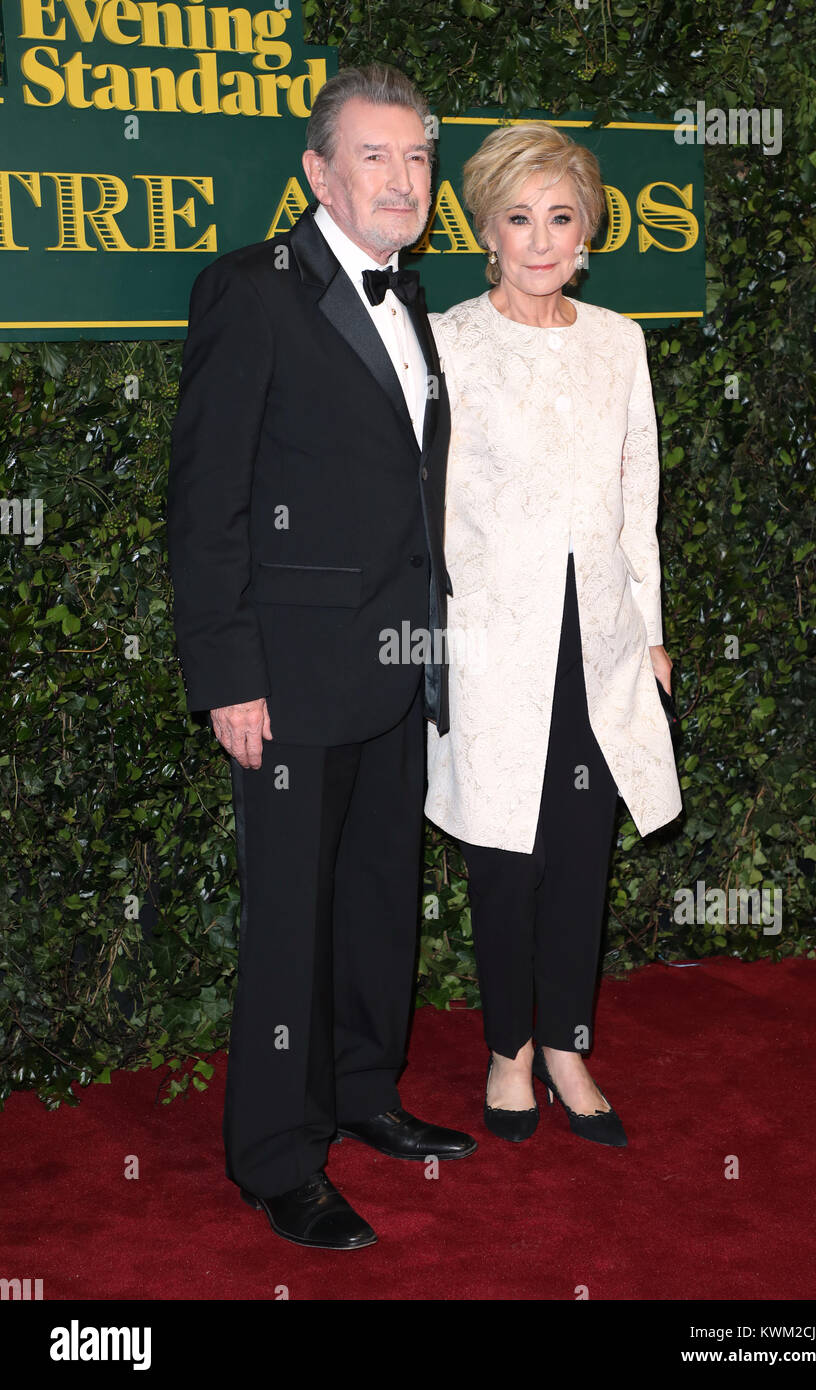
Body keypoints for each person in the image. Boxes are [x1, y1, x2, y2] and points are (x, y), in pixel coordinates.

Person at [167, 63, 476, 1252]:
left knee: (376, 903)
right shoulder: (251, 292)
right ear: (317, 172)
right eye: (373, 157)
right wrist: (227, 671)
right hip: (286, 678)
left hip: (398, 663)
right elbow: (206, 505)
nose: (401, 180)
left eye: (415, 158)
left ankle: (362, 1093)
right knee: (288, 921)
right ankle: (275, 1158)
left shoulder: (417, 299)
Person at [424, 122, 683, 1146]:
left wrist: (650, 632)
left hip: (602, 642)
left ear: (586, 234)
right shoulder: (447, 339)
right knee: (503, 855)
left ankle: (567, 1045)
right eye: (518, 217)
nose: (539, 238)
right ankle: (507, 1051)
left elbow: (637, 497)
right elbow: (428, 503)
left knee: (580, 848)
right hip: (492, 643)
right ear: (486, 230)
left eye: (559, 217)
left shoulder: (618, 342)